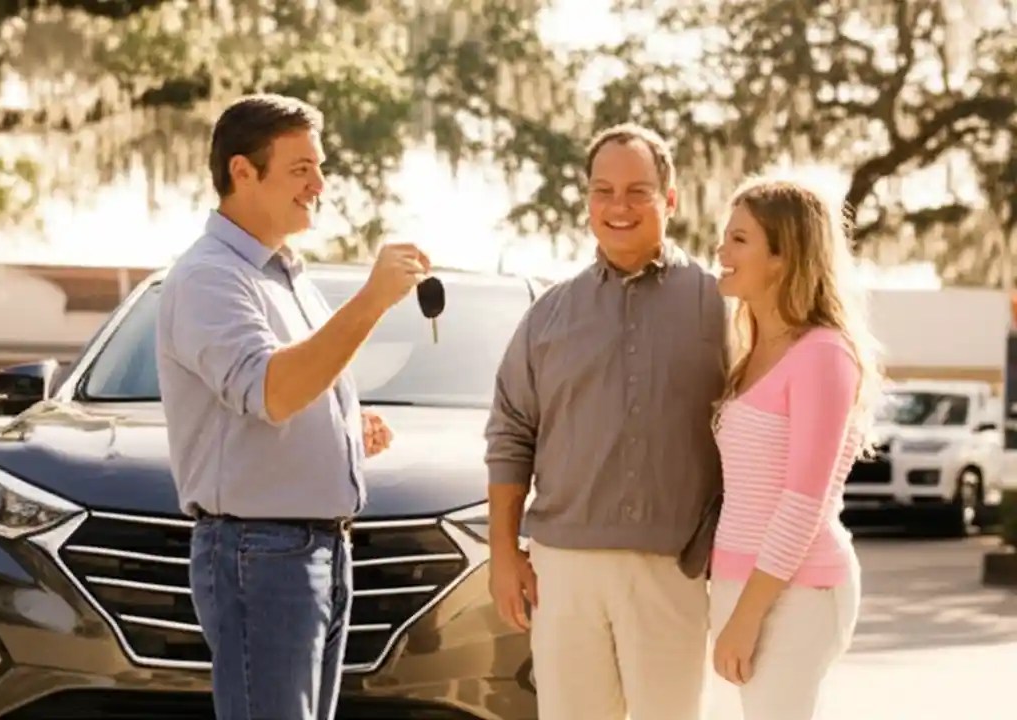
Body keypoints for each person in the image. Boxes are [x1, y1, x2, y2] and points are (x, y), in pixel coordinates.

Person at [154, 93, 430, 720]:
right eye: (301, 168)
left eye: (320, 166)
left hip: (313, 552)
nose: (320, 184)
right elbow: (271, 390)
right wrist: (372, 301)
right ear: (241, 172)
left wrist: (339, 427)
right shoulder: (209, 277)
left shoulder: (282, 274)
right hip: (262, 556)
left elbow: (288, 389)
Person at [484, 122, 728, 720]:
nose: (618, 206)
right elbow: (510, 433)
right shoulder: (549, 313)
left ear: (670, 201)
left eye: (638, 191)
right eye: (603, 190)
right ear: (587, 200)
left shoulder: (719, 304)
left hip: (673, 570)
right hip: (563, 571)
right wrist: (503, 555)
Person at [707, 175, 882, 719]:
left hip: (796, 593)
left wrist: (747, 616)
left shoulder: (824, 355)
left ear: (783, 257)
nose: (721, 251)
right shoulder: (750, 350)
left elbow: (802, 502)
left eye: (739, 239)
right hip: (742, 585)